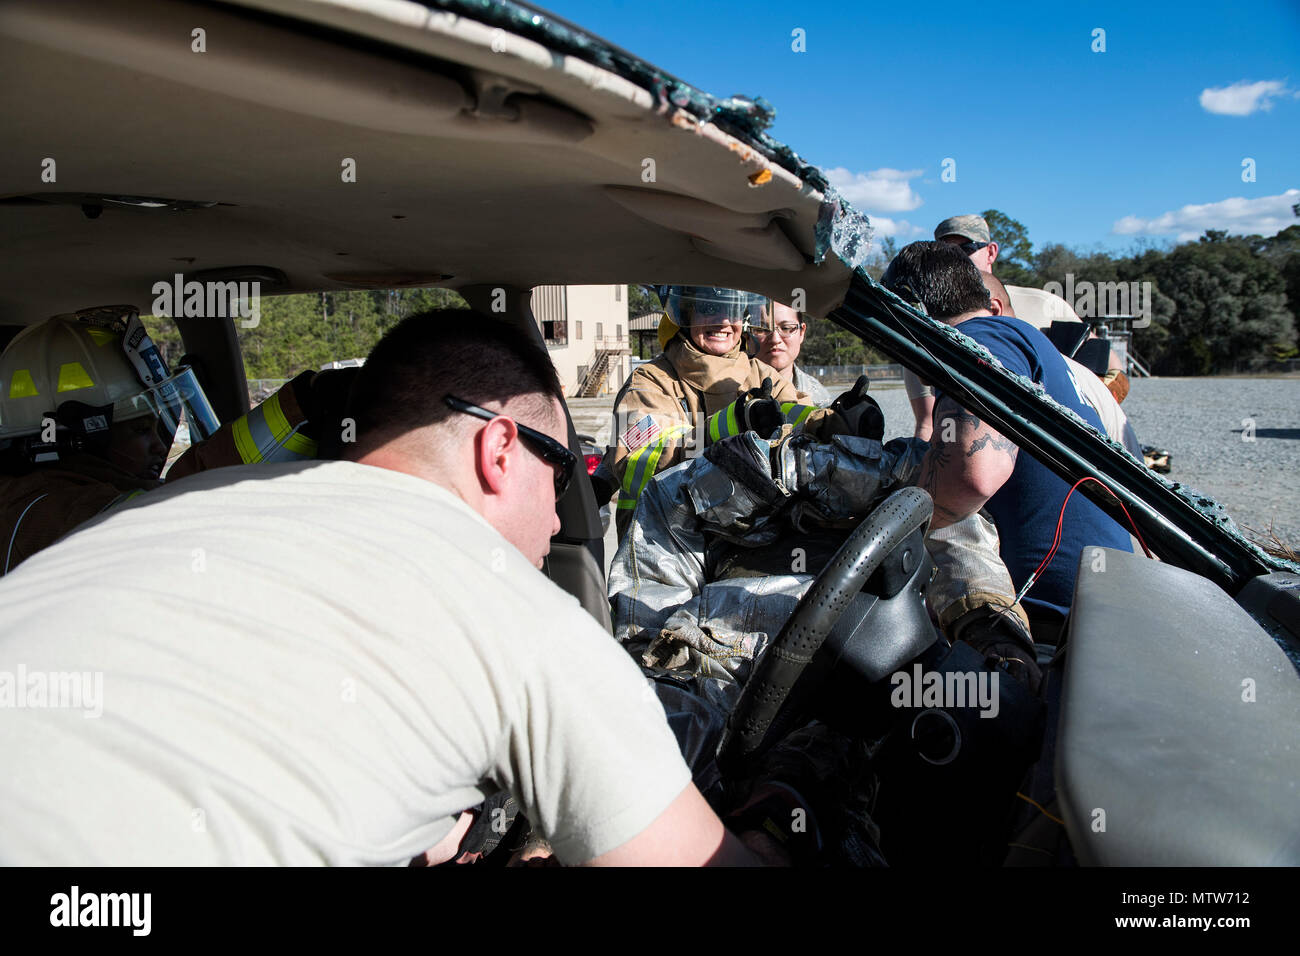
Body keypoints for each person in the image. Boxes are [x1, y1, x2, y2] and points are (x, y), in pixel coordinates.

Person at [0, 310, 776, 866]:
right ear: (500, 450)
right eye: (562, 470)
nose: (559, 516)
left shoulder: (160, 515)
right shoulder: (519, 616)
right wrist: (787, 811)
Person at [882, 242, 1134, 637]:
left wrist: (889, 520)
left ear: (911, 312)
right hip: (1095, 599)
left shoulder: (980, 337)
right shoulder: (1024, 338)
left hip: (1055, 622)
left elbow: (972, 477)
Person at [0, 309, 221, 575]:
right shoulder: (54, 512)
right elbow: (164, 523)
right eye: (141, 431)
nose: (161, 446)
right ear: (78, 441)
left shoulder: (47, 493)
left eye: (156, 427)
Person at [609, 286, 833, 536]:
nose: (724, 321)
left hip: (748, 537)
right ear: (685, 314)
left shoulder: (761, 373)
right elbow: (636, 461)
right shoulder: (648, 380)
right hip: (663, 539)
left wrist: (836, 421)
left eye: (732, 310)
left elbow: (799, 415)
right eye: (709, 308)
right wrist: (733, 423)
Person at [934, 214, 1130, 403]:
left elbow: (1111, 367)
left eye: (966, 248)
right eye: (945, 252)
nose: (955, 258)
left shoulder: (1043, 303)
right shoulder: (932, 315)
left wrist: (1092, 404)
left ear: (991, 252)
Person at [755, 303, 832, 406]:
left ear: (801, 333)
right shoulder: (733, 389)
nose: (775, 339)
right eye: (762, 329)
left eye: (786, 328)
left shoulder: (819, 398)